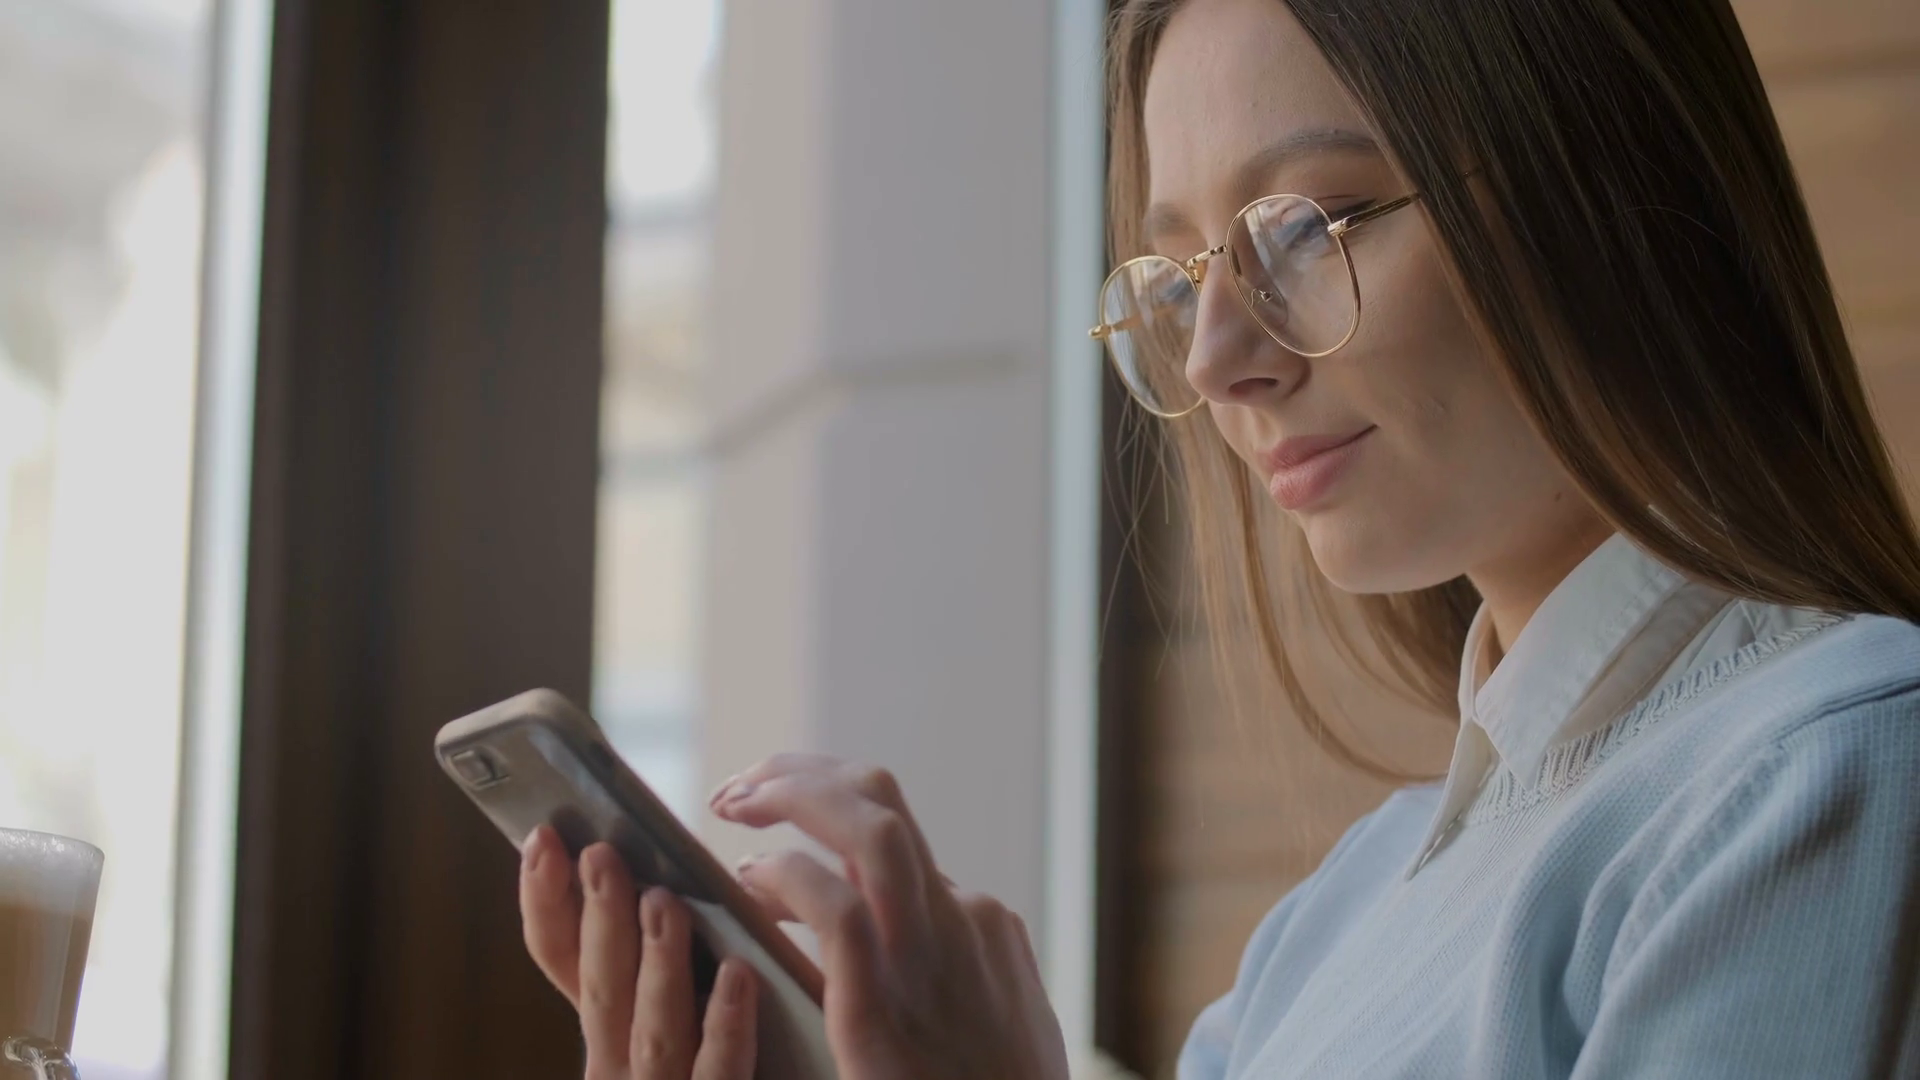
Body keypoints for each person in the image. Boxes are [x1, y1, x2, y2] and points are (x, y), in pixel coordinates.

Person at [515, 0, 1920, 1075]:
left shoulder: (1825, 767)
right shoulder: (1334, 924)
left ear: (1594, 180)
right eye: (1183, 275)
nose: (1219, 357)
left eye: (1301, 228)